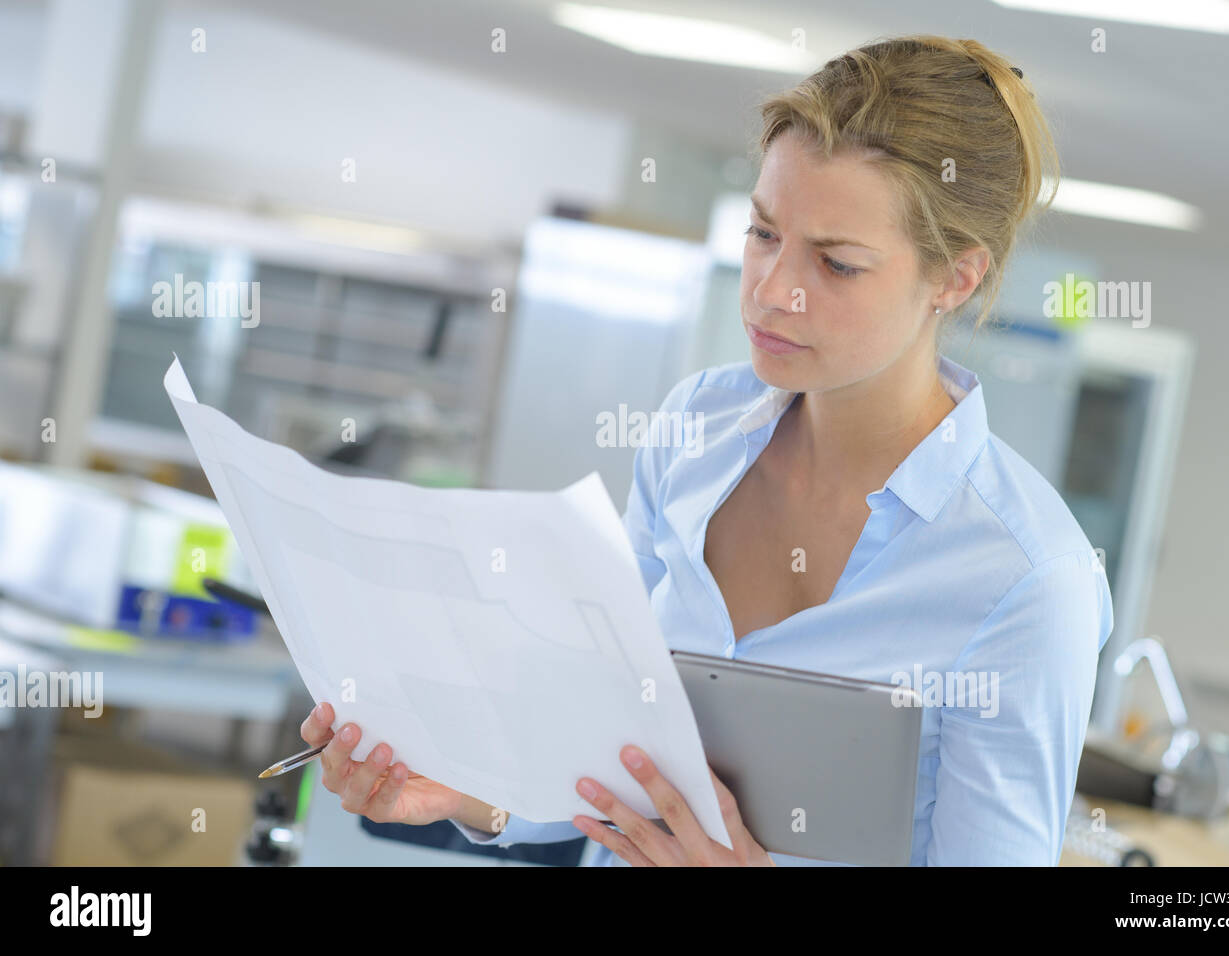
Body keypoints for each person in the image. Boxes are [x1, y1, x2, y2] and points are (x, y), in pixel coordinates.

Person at [299, 33, 1114, 866]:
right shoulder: (697, 428)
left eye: (836, 265)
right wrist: (468, 793)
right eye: (764, 234)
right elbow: (603, 750)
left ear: (954, 279)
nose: (771, 291)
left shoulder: (1026, 581)